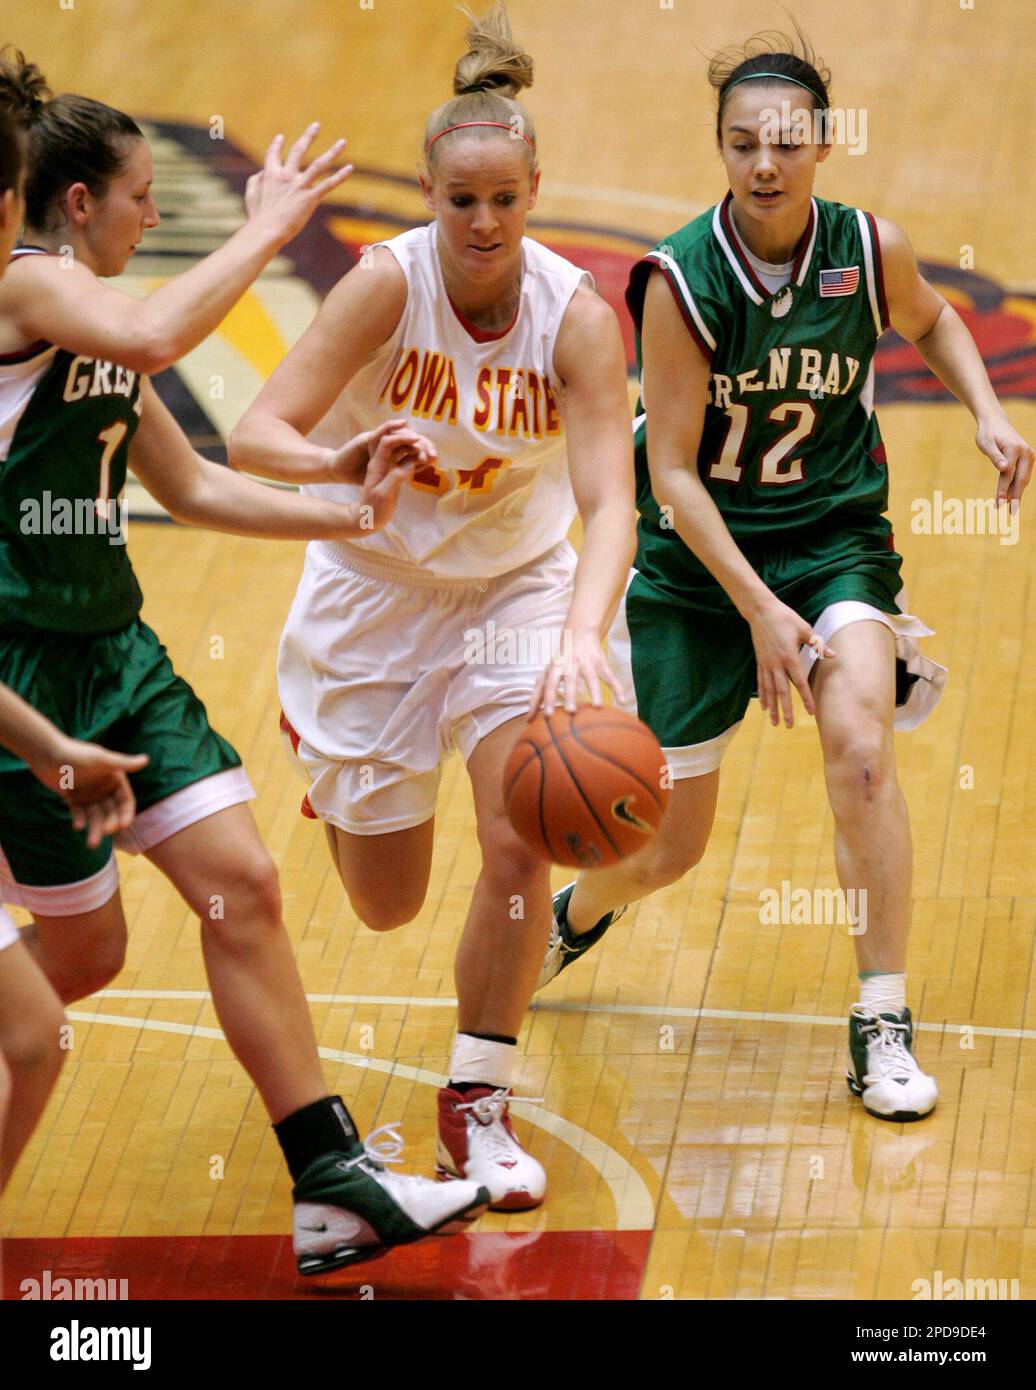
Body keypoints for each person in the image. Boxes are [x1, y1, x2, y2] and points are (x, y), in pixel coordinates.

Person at [0, 51, 488, 1271]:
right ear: (74, 207)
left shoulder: (97, 328)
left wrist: (345, 494)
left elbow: (194, 482)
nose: (156, 214)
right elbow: (166, 327)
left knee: (246, 883)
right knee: (83, 964)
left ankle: (327, 1181)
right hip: (20, 674)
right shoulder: (33, 289)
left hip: (116, 654)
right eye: (140, 196)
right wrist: (268, 225)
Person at [535, 29, 1033, 1122]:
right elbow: (668, 472)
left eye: (787, 143)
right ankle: (573, 917)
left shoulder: (867, 247)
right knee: (665, 845)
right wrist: (759, 611)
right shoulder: (680, 279)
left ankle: (881, 1021)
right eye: (743, 143)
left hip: (831, 540)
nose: (765, 163)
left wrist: (986, 410)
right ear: (719, 149)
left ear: (821, 145)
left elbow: (939, 318)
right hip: (695, 565)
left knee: (858, 751)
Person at [229, 1, 636, 1209]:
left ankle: (478, 1102)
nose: (483, 222)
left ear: (533, 191)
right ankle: (329, 751)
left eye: (504, 200)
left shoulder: (577, 317)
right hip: (376, 593)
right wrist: (338, 468)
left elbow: (610, 501)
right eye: (460, 201)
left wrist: (575, 637)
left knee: (522, 828)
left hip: (518, 586)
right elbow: (256, 432)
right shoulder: (380, 288)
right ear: (428, 194)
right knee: (386, 899)